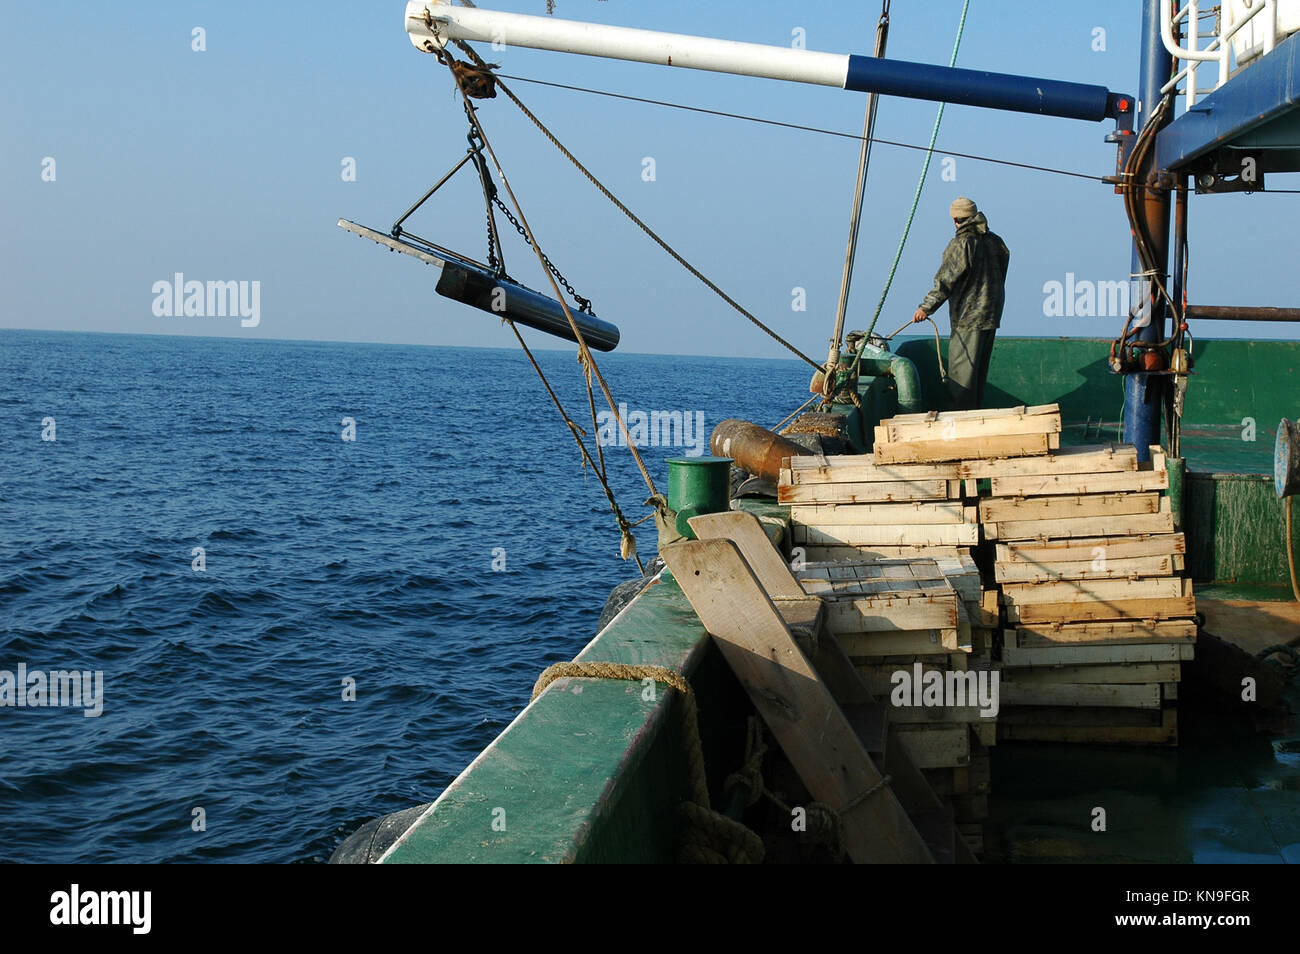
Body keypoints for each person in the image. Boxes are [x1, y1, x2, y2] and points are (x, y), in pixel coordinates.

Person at [912, 197, 1010, 410]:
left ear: (956, 220)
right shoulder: (996, 241)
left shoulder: (961, 244)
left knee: (961, 381)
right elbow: (1002, 270)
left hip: (967, 319)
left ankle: (960, 423)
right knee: (977, 379)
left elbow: (945, 280)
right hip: (991, 316)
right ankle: (974, 418)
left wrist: (925, 308)